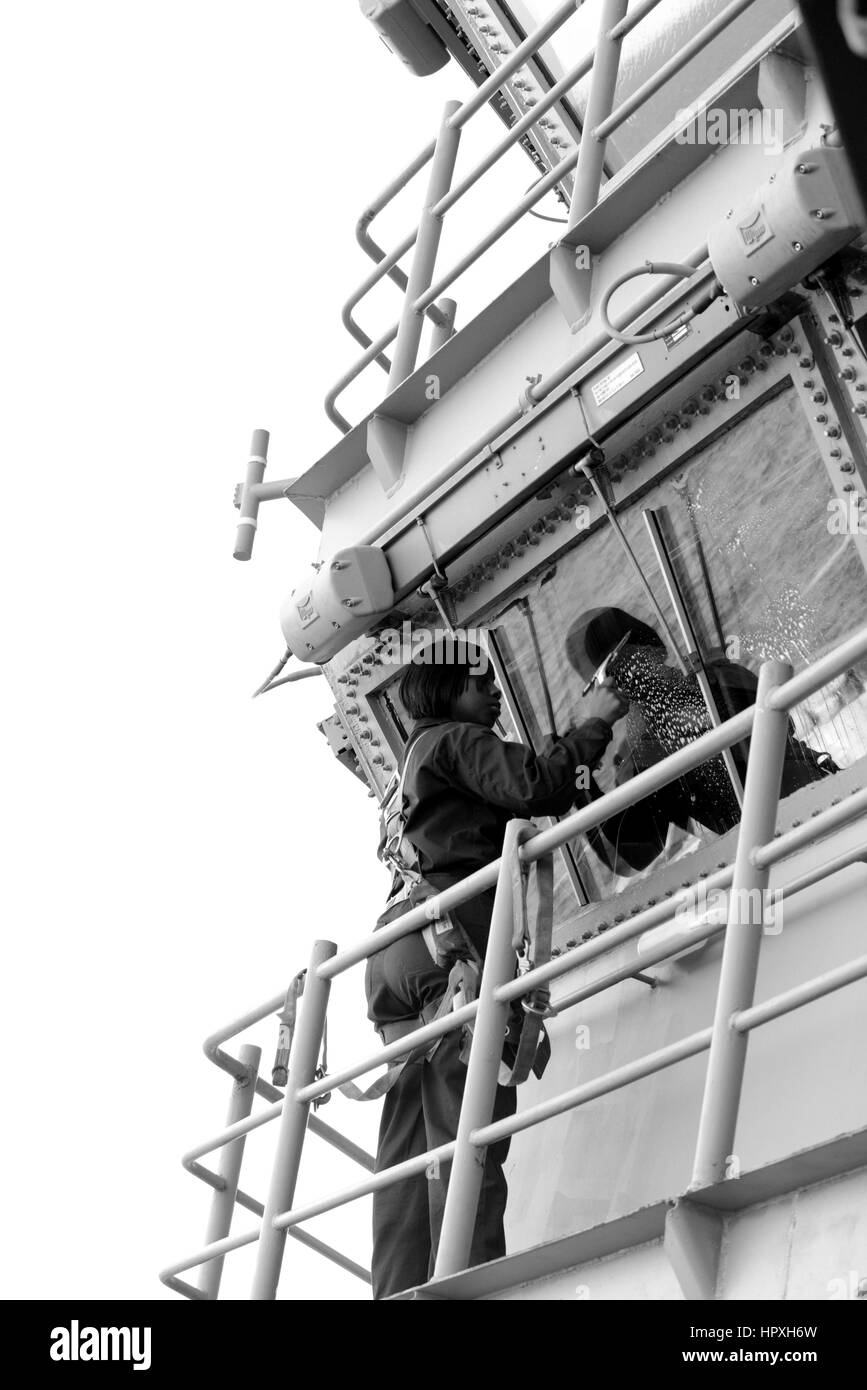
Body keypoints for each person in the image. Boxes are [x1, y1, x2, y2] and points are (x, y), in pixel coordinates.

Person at [364, 637, 626, 1299]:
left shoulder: (411, 771)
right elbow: (533, 783)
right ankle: (464, 1288)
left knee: (412, 1151)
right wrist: (595, 719)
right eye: (481, 680)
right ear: (445, 688)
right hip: (449, 946)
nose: (494, 693)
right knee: (468, 1135)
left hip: (397, 951)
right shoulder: (454, 740)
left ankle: (395, 1290)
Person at [565, 607, 838, 871]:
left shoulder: (649, 746)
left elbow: (632, 855)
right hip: (821, 802)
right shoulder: (718, 677)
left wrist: (580, 770)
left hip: (782, 851)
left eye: (606, 677)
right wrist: (582, 765)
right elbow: (631, 854)